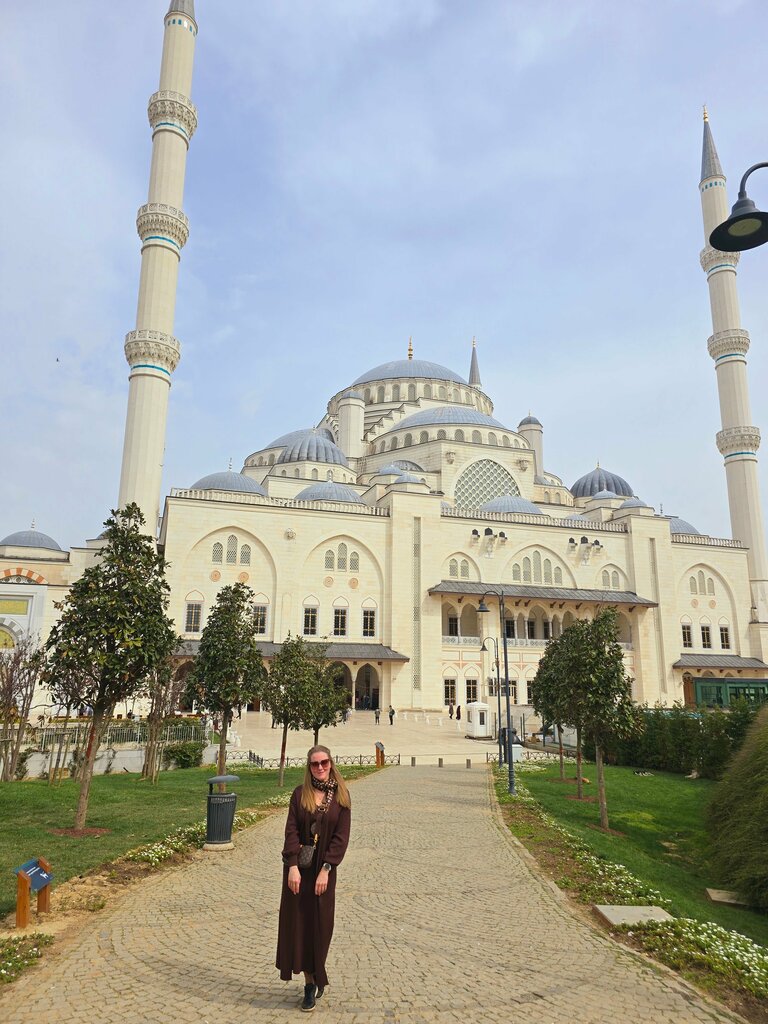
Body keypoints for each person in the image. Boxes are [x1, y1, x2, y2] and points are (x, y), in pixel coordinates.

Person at [276, 746, 351, 1012]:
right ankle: (309, 984)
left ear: (331, 763)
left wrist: (327, 869)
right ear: (308, 767)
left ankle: (318, 970)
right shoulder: (300, 794)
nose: (320, 767)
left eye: (324, 762)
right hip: (299, 869)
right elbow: (291, 831)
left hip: (323, 870)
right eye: (314, 763)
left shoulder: (341, 796)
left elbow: (341, 837)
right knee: (300, 925)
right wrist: (292, 866)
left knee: (321, 926)